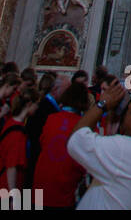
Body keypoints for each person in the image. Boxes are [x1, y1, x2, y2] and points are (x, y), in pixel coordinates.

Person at [67, 79, 131, 210]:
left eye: (129, 109)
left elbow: (76, 139)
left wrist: (102, 104)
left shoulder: (126, 150)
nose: (124, 114)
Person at [33, 80, 90, 209]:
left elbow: (43, 142)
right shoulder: (84, 125)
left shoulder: (51, 118)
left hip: (40, 184)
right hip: (65, 186)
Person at [0, 86, 39, 190]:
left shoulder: (10, 123)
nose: (37, 107)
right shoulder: (18, 133)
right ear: (29, 104)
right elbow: (11, 166)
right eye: (36, 104)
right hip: (9, 187)